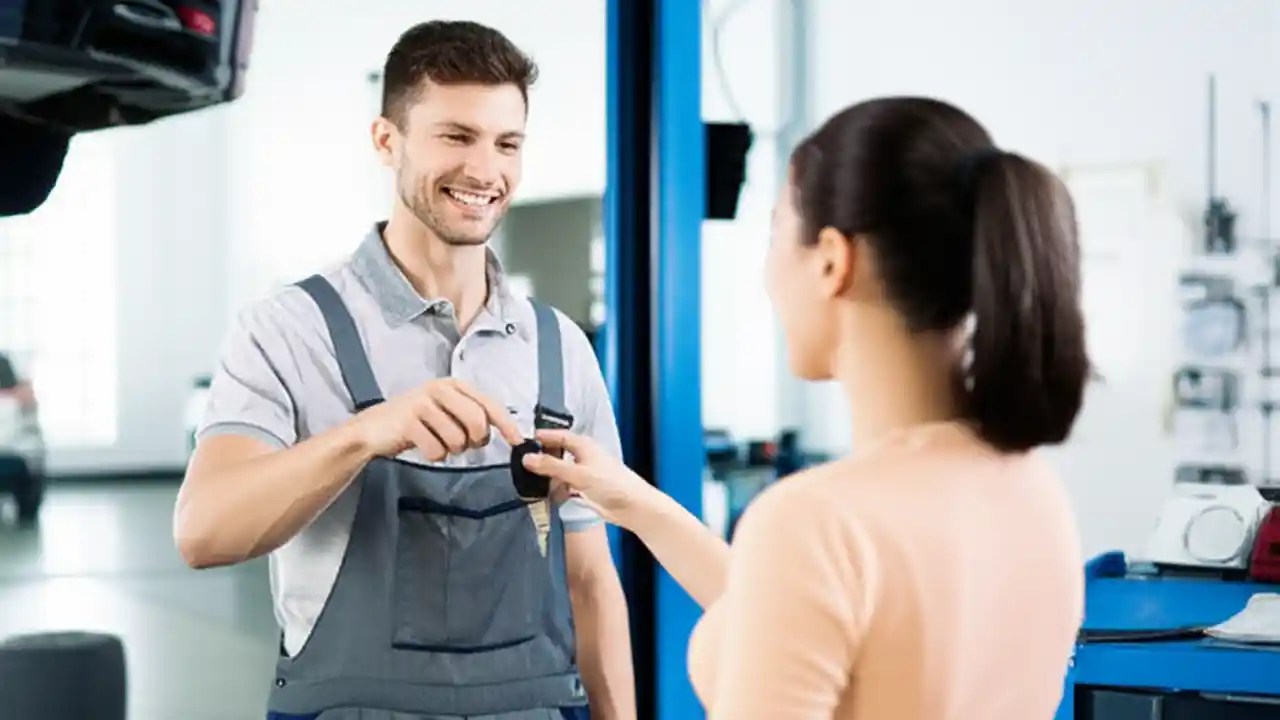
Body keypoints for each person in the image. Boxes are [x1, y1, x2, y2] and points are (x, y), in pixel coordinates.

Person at [523, 97, 1090, 719]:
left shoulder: (816, 521)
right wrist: (638, 504)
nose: (768, 274)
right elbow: (812, 613)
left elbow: (815, 574)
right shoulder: (1031, 491)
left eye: (774, 235)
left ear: (830, 261)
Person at [174, 20, 635, 720]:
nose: (486, 170)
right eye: (456, 136)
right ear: (386, 141)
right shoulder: (287, 330)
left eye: (506, 143)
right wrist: (362, 436)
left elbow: (591, 581)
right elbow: (204, 533)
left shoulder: (560, 348)